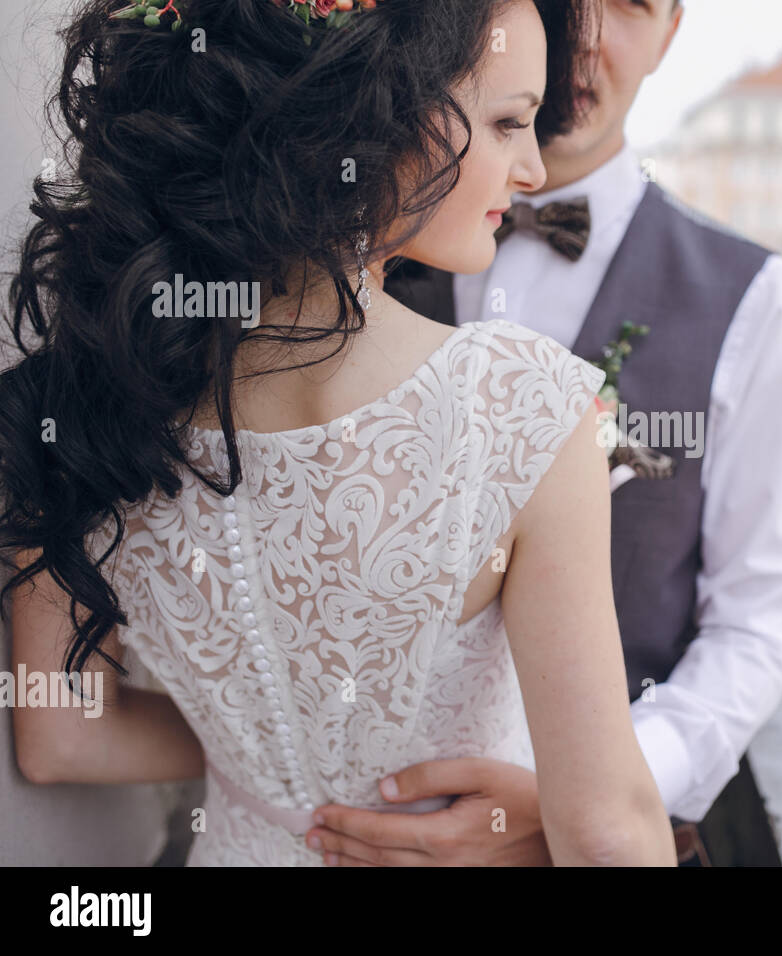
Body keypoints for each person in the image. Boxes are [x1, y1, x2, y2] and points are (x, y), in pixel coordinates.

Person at [4, 0, 675, 866]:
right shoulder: (525, 404)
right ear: (368, 115)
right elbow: (611, 833)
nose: (535, 168)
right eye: (508, 122)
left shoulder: (69, 409)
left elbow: (61, 743)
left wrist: (262, 761)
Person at [344, 0, 782, 866]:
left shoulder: (758, 299)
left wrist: (587, 789)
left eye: (631, 4)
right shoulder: (349, 255)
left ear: (672, 31)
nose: (588, 36)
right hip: (364, 820)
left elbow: (758, 617)